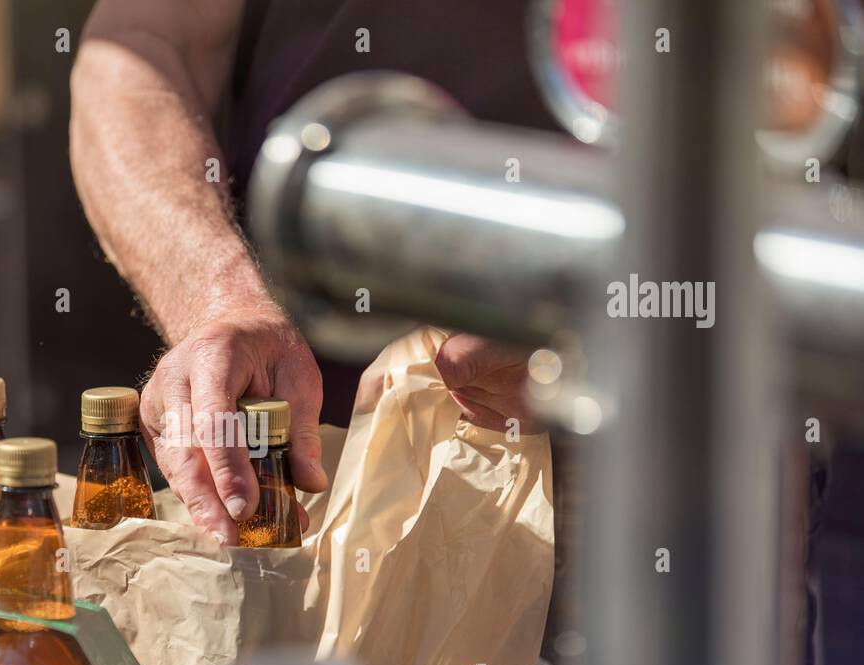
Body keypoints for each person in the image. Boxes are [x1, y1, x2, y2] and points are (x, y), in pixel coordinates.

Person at [69, 0, 547, 543]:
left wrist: (610, 330)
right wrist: (221, 300)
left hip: (632, 483)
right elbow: (142, 42)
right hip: (307, 492)